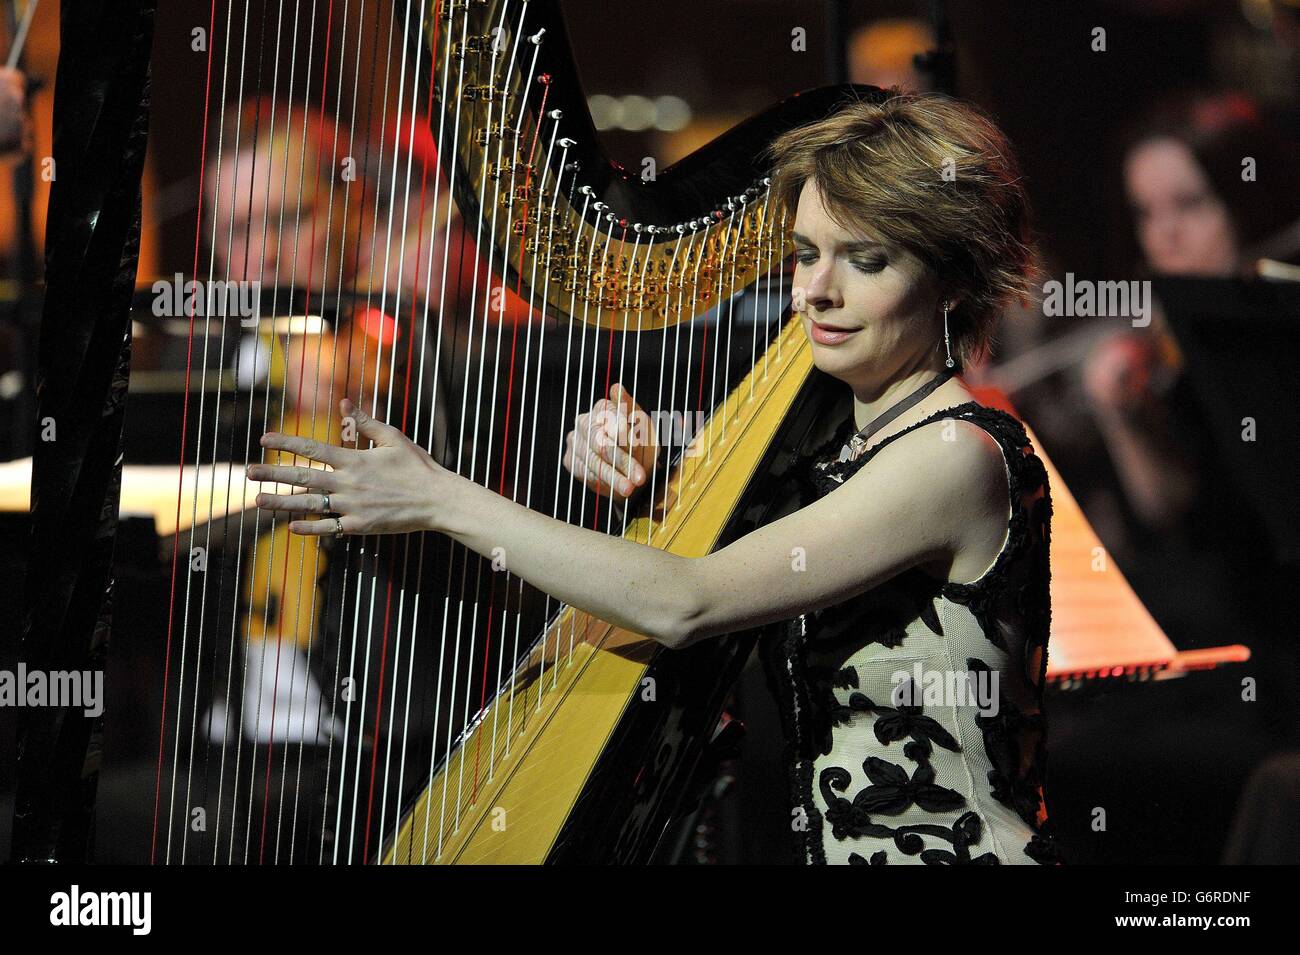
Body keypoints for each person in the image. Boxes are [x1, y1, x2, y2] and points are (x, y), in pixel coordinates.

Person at [246, 91, 1064, 865]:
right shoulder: (839, 452)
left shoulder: (956, 454)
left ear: (954, 278)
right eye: (806, 253)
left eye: (866, 260)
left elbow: (686, 599)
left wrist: (437, 494)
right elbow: (701, 588)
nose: (815, 291)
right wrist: (648, 492)